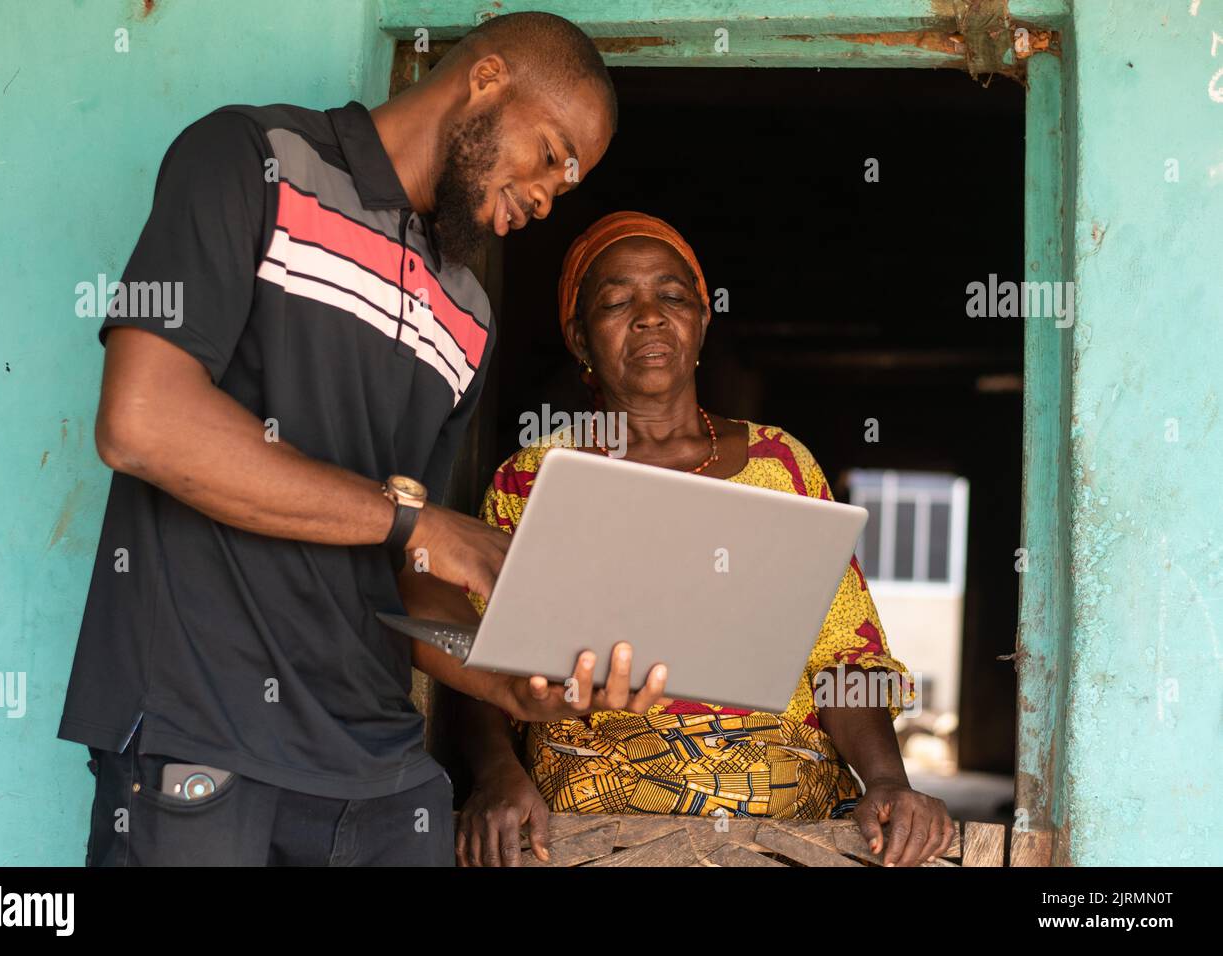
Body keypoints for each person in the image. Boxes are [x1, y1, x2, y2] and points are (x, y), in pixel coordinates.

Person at [58, 12, 668, 868]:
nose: (546, 196)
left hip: (379, 773)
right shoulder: (251, 158)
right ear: (487, 79)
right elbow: (142, 422)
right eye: (551, 154)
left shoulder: (468, 313)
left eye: (567, 187)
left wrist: (514, 682)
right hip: (204, 731)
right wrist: (416, 522)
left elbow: (400, 572)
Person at [451, 211, 955, 867]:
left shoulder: (782, 465)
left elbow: (843, 657)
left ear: (703, 319)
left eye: (672, 295)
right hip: (594, 827)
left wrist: (887, 780)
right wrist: (496, 774)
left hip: (786, 823)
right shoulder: (533, 480)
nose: (649, 315)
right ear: (579, 337)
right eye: (614, 301)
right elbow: (480, 659)